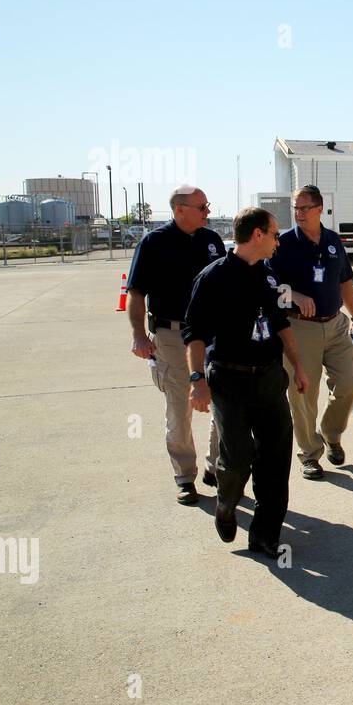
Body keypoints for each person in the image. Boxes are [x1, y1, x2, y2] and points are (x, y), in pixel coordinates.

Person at [183, 208, 310, 559]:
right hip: (229, 379)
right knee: (237, 456)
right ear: (257, 235)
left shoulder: (268, 276)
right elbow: (193, 333)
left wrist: (298, 366)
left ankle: (265, 535)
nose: (278, 241)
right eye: (274, 234)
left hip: (269, 377)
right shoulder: (212, 278)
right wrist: (197, 380)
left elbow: (281, 324)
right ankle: (226, 503)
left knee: (275, 459)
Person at [126, 186, 225, 505]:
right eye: (202, 207)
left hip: (213, 334)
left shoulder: (212, 241)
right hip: (172, 336)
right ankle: (185, 476)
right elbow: (136, 293)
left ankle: (216, 467)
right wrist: (139, 335)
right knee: (180, 408)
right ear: (180, 209)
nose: (207, 212)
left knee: (224, 401)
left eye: (207, 206)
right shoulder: (154, 243)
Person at [268, 185, 353, 481]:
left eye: (304, 208)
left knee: (349, 384)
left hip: (336, 324)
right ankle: (309, 454)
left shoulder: (333, 241)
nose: (298, 214)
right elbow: (268, 285)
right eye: (295, 208)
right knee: (303, 393)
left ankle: (331, 434)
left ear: (320, 209)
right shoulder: (282, 244)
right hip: (298, 328)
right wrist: (294, 295)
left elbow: (345, 281)